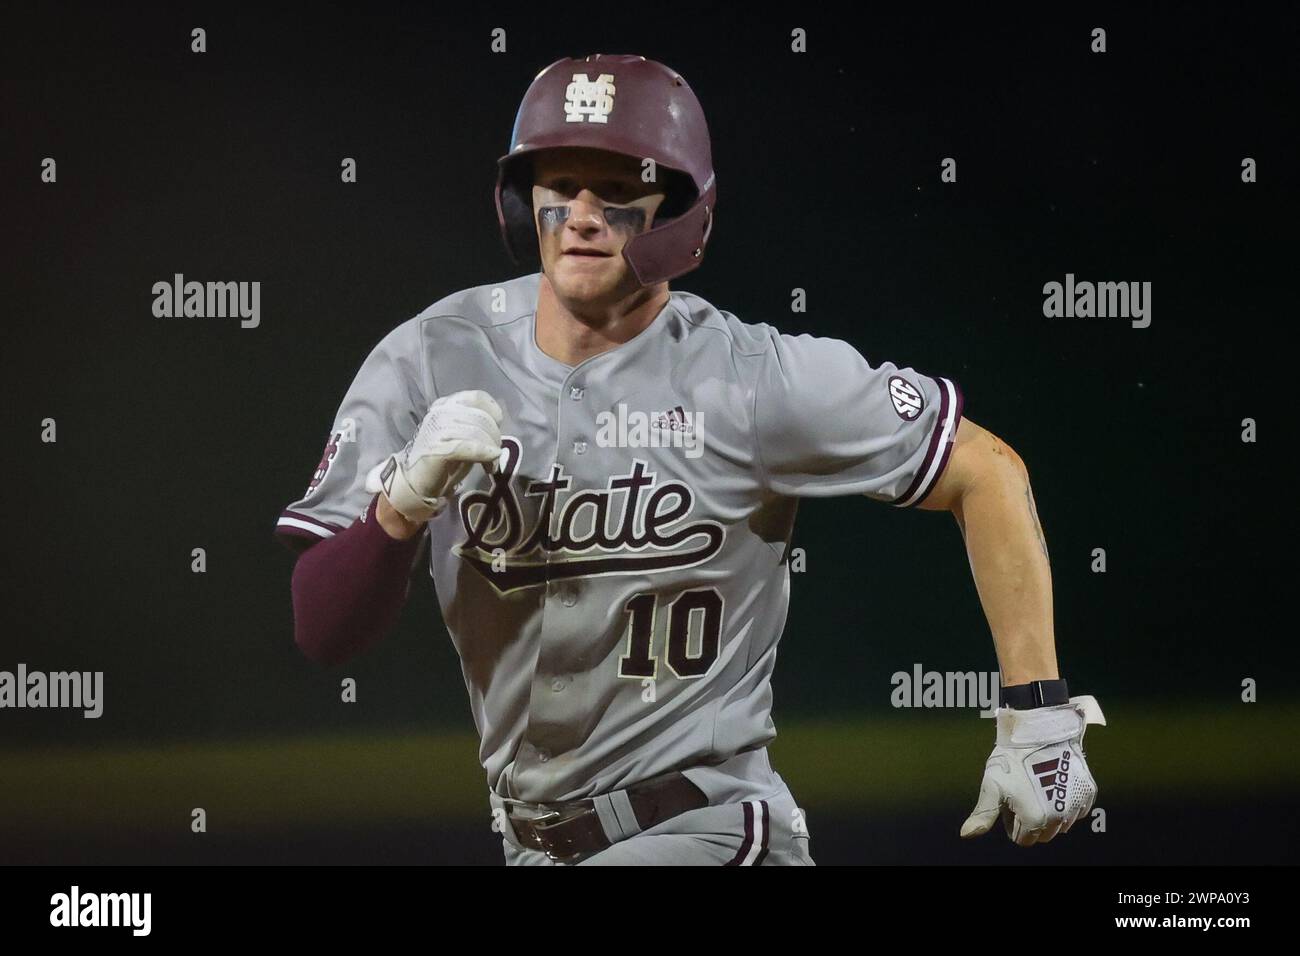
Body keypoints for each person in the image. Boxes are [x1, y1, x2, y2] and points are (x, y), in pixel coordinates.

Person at [274, 54, 1104, 865]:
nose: (583, 214)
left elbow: (985, 467)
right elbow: (322, 629)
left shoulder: (750, 378)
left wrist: (1038, 707)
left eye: (620, 187)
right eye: (559, 184)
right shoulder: (430, 356)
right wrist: (399, 509)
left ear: (682, 212)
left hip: (709, 826)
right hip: (533, 845)